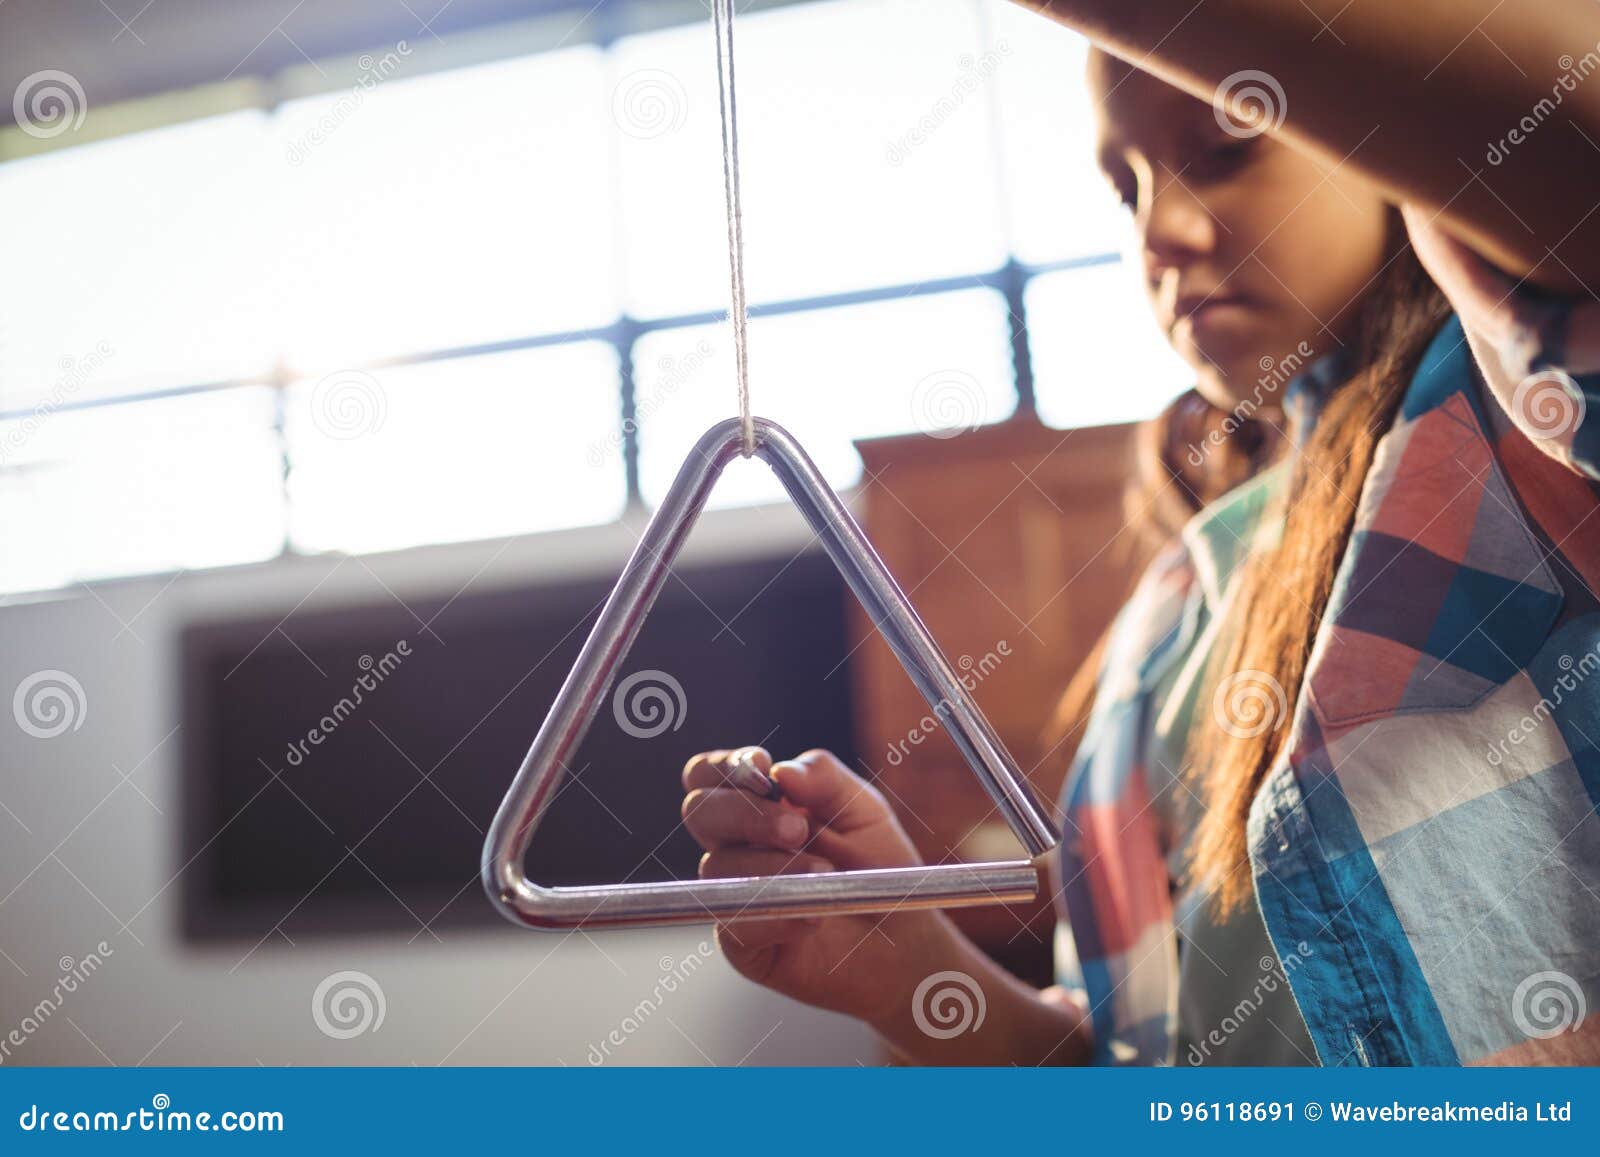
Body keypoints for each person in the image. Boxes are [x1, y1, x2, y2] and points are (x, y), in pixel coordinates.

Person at [680, 0, 1600, 1065]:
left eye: (1225, 143)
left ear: (1381, 134)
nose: (1159, 231)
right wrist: (911, 969)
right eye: (1126, 187)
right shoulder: (1169, 615)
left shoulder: (1531, 428)